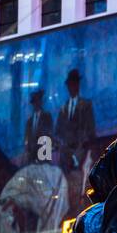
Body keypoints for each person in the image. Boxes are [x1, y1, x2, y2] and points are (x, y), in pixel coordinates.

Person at [55, 68, 95, 214]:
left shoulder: (86, 105)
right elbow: (58, 132)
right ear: (68, 87)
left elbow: (90, 132)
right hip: (66, 157)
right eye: (70, 85)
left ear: (78, 86)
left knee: (82, 187)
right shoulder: (63, 109)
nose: (72, 87)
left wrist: (77, 153)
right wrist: (66, 151)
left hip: (82, 154)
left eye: (75, 84)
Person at [23, 90, 54, 164]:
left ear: (41, 102)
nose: (36, 104)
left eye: (37, 101)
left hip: (43, 154)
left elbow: (49, 135)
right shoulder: (29, 121)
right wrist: (27, 150)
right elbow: (27, 137)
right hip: (31, 156)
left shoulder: (47, 117)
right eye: (34, 102)